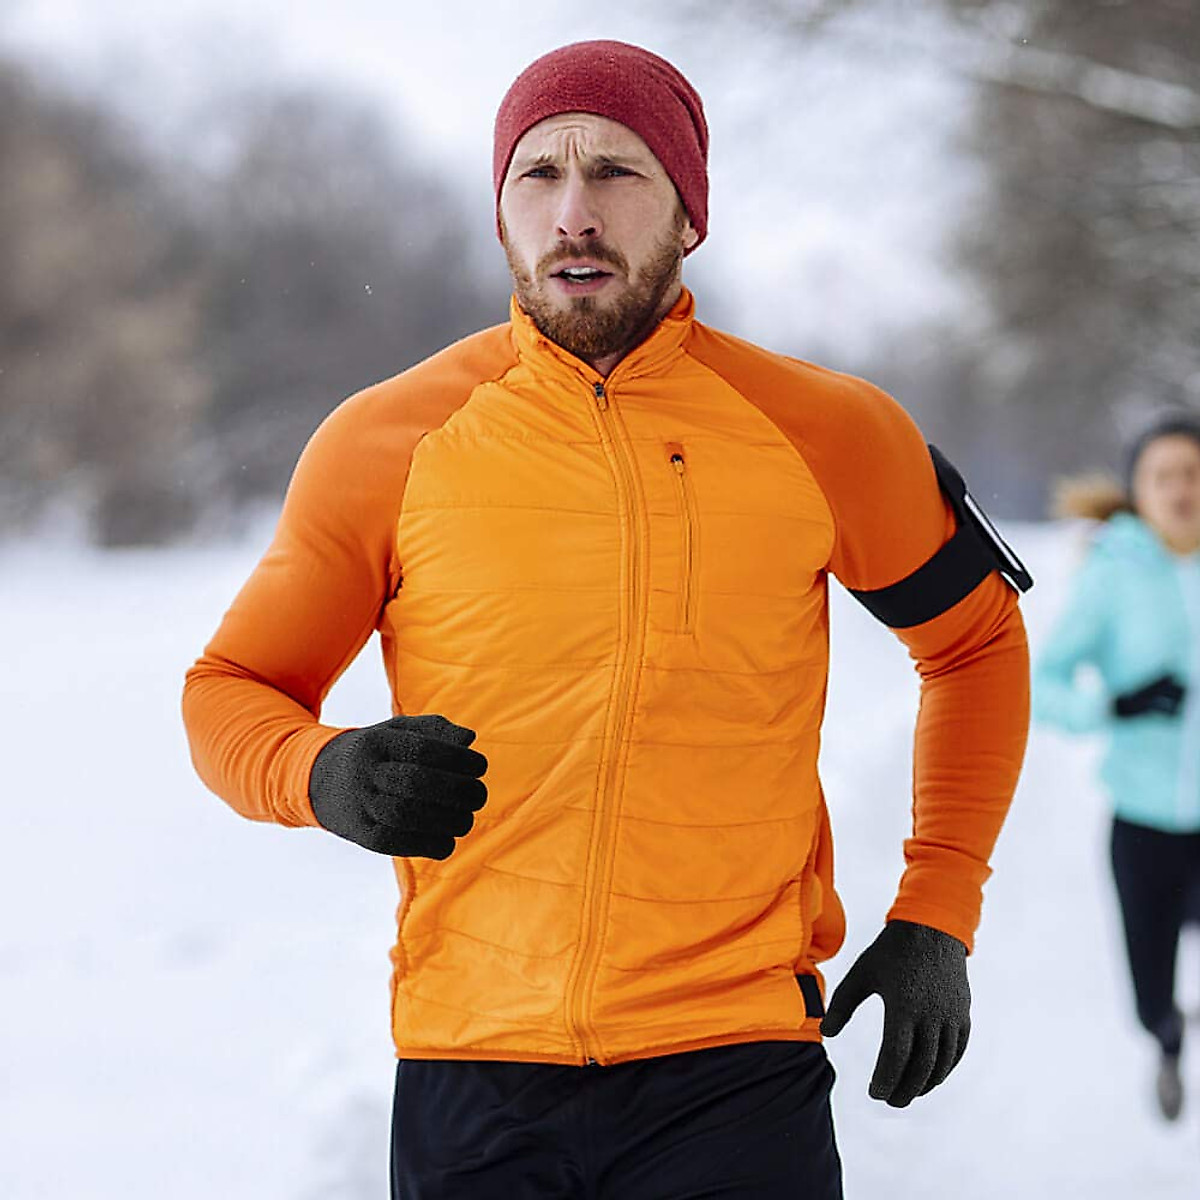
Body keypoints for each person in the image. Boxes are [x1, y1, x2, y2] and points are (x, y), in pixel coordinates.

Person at [183, 40, 1032, 1198]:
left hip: (736, 1068)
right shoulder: (387, 443)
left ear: (688, 212)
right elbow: (230, 690)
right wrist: (321, 773)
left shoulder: (825, 431)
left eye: (617, 172)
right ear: (500, 215)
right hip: (474, 1072)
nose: (573, 212)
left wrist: (938, 910)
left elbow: (975, 644)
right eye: (538, 175)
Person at [1035, 412, 1200, 1123]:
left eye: (1193, 473)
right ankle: (1168, 1038)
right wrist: (1115, 706)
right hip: (1144, 820)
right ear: (1139, 490)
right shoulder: (1112, 574)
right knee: (1149, 997)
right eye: (1163, 476)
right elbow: (1042, 682)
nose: (1181, 489)